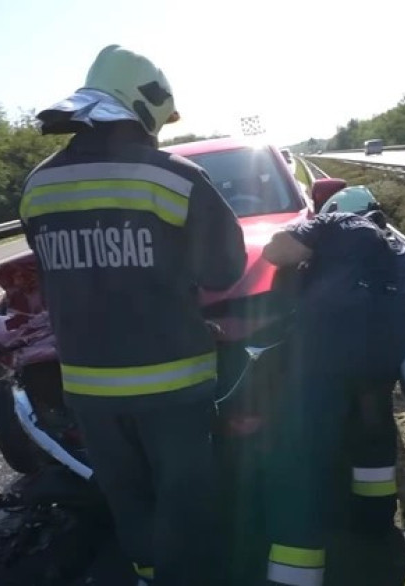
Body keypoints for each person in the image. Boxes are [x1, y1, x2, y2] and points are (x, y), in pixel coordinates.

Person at [18, 44, 247, 586]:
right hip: (173, 383)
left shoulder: (37, 186)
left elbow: (60, 273)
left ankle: (146, 574)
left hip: (89, 387)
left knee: (128, 495)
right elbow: (223, 270)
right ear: (144, 106)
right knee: (185, 499)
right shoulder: (173, 178)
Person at [260, 189, 405, 586]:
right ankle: (374, 525)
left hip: (323, 361)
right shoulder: (402, 250)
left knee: (304, 464)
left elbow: (275, 253)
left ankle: (294, 574)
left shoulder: (334, 224)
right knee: (374, 442)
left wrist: (300, 233)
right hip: (379, 363)